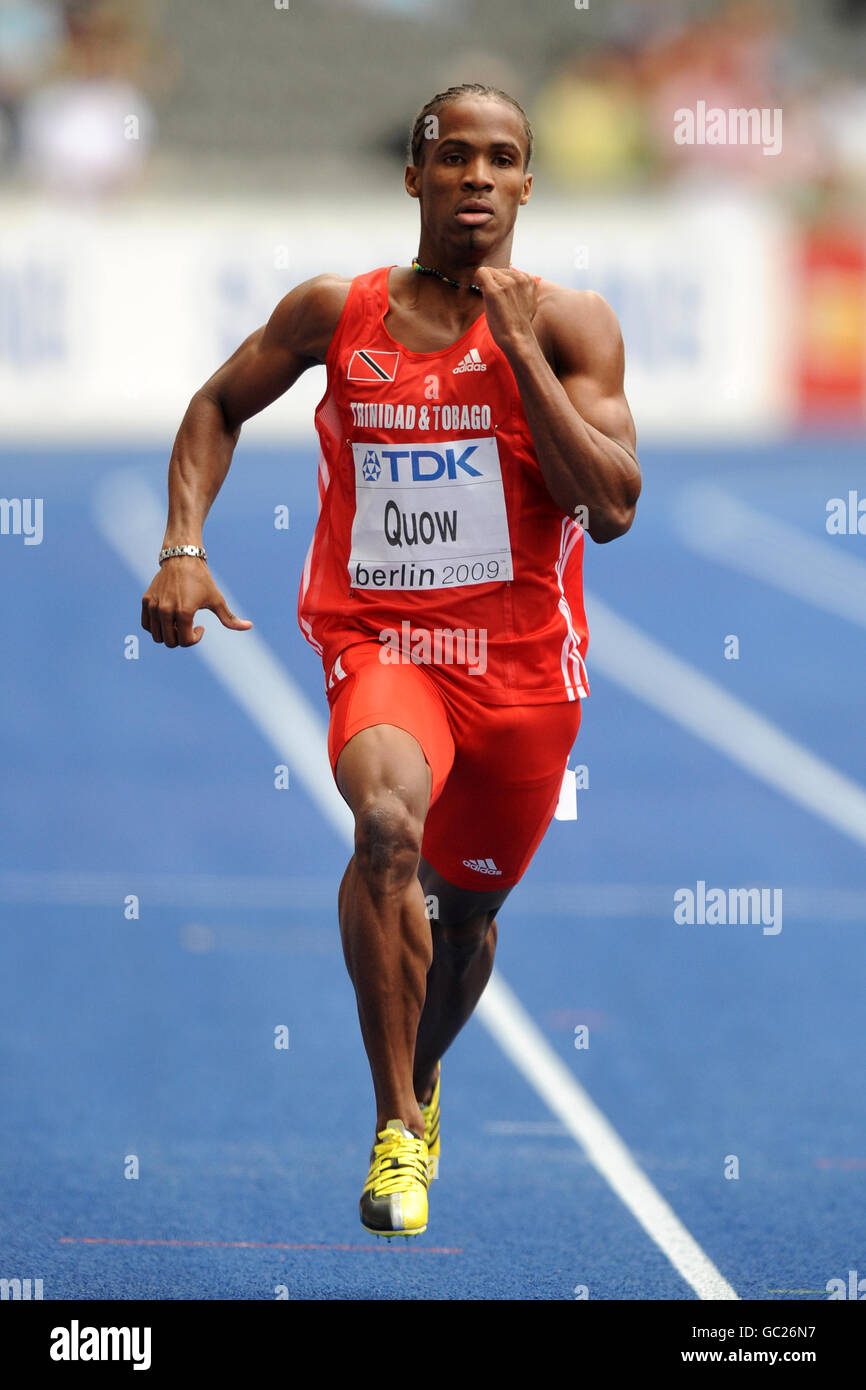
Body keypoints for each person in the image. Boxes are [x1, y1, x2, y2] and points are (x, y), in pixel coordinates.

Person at [141, 83, 641, 1239]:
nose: (475, 175)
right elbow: (218, 403)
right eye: (451, 156)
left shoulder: (570, 326)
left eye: (500, 158)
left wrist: (514, 348)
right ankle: (392, 1125)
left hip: (521, 668)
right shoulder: (335, 311)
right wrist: (182, 544)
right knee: (384, 830)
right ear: (411, 178)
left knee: (463, 919)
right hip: (384, 642)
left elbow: (609, 507)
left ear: (526, 185)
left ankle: (420, 1081)